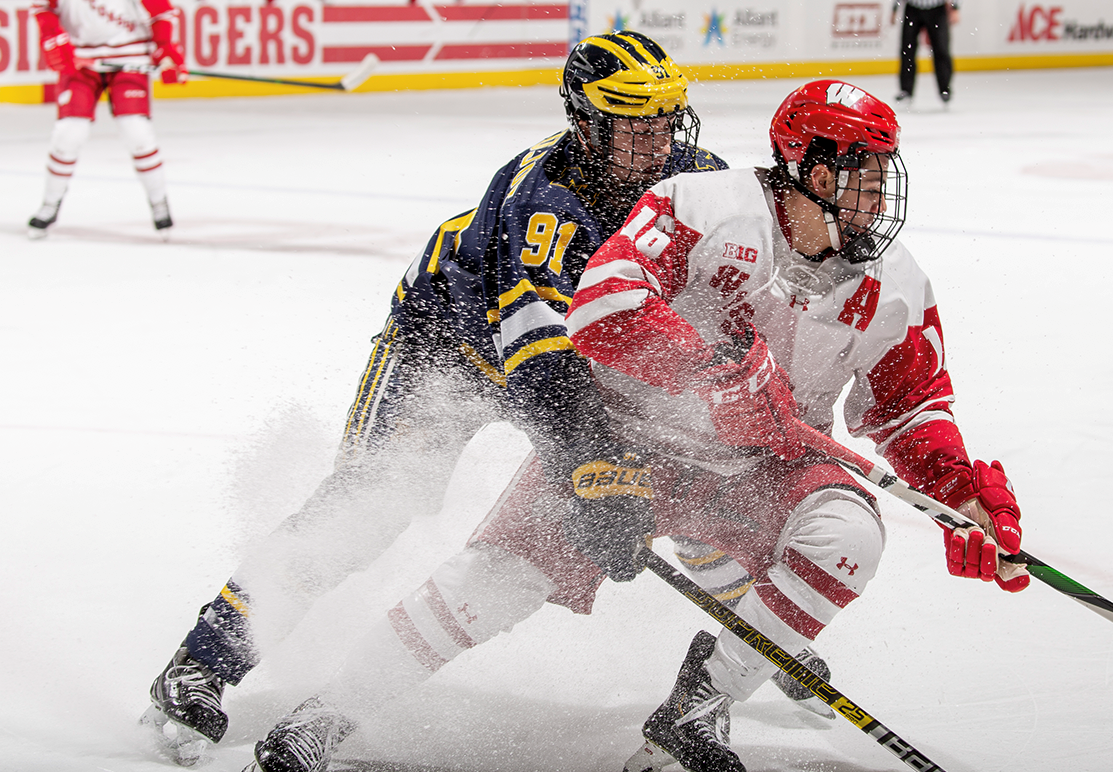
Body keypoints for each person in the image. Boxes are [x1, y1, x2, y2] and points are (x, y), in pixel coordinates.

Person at [236, 79, 1028, 772]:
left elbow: (914, 408)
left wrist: (962, 497)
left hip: (761, 471)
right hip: (624, 445)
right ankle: (326, 714)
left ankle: (696, 709)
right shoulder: (701, 205)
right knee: (492, 585)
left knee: (849, 532)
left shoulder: (898, 287)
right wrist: (712, 374)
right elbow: (604, 305)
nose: (880, 201)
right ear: (816, 173)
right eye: (866, 180)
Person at [140, 31, 820, 768]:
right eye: (632, 123)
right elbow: (542, 365)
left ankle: (759, 631)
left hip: (575, 357)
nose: (653, 142)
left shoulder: (697, 180)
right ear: (584, 121)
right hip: (447, 348)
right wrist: (595, 464)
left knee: (683, 469)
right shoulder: (542, 202)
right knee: (369, 505)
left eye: (663, 121)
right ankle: (201, 663)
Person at [27, 0, 185, 239]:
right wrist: (50, 35)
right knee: (69, 133)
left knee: (136, 131)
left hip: (129, 57)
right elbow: (43, 7)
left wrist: (165, 50)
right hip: (79, 59)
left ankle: (159, 202)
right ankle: (50, 204)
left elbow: (160, 11)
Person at [891, 0, 959, 106]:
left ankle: (944, 89)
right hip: (913, 8)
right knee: (907, 49)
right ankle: (906, 90)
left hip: (937, 8)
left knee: (941, 48)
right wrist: (894, 8)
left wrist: (955, 7)